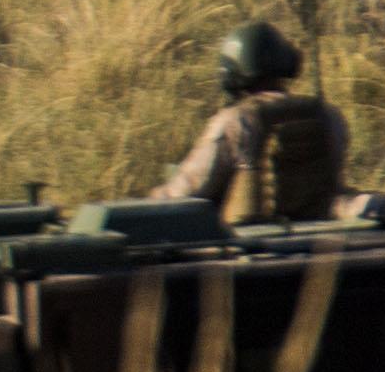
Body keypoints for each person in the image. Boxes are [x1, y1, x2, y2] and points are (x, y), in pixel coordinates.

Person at [149, 21, 349, 224]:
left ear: (231, 74)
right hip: (318, 232)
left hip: (246, 242)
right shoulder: (329, 115)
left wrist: (157, 197)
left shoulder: (236, 120)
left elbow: (187, 193)